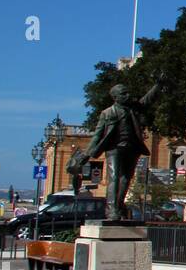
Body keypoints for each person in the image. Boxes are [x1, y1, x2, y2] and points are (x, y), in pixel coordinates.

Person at [69, 79, 164, 222]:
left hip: (132, 147)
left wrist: (158, 85)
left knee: (125, 179)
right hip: (114, 148)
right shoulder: (107, 113)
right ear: (116, 97)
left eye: (127, 92)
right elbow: (97, 136)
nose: (127, 95)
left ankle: (119, 205)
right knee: (114, 177)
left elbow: (147, 100)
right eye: (123, 93)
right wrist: (87, 154)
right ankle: (112, 208)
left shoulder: (133, 108)